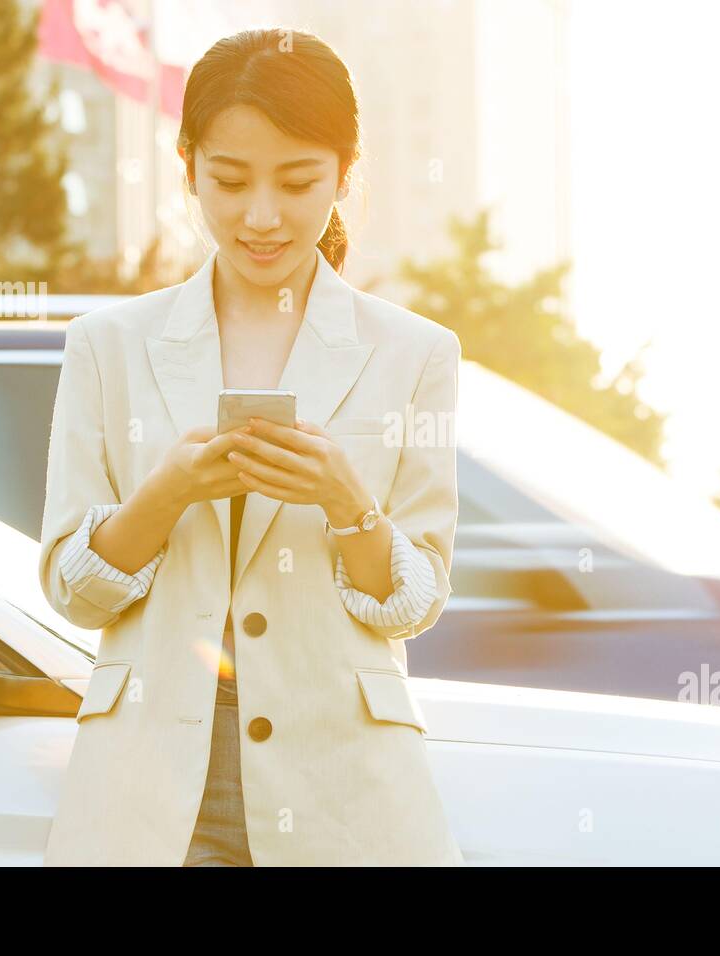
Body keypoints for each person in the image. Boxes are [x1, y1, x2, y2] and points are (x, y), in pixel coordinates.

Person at [37, 28, 463, 866]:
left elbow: (416, 601)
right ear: (187, 165)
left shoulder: (416, 353)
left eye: (299, 182)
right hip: (151, 792)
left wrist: (349, 505)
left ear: (344, 174)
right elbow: (72, 590)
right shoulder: (107, 344)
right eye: (229, 181)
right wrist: (166, 495)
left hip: (343, 793)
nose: (260, 216)